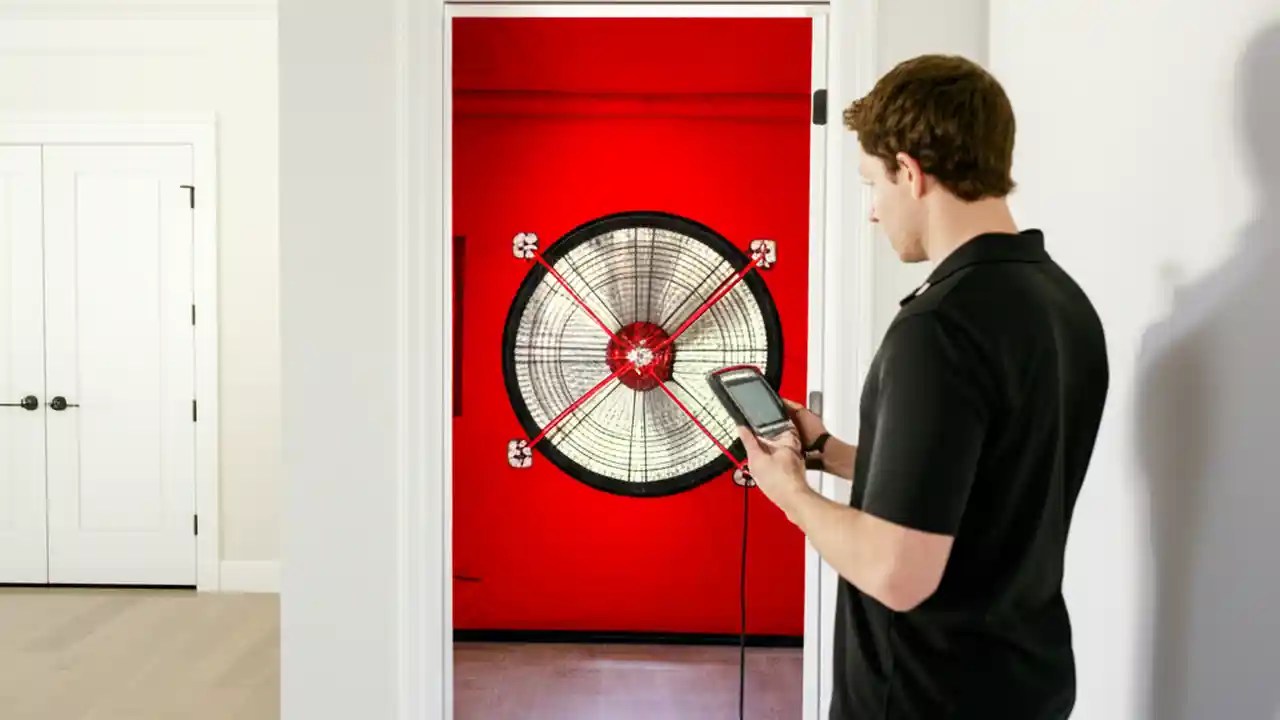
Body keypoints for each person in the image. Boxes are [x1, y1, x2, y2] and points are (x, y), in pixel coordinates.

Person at [738, 54, 1110, 718]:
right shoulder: (1060, 301)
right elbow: (990, 482)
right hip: (1026, 685)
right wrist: (831, 453)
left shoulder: (938, 328)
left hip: (926, 697)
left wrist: (788, 492)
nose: (874, 214)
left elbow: (896, 574)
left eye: (870, 185)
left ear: (910, 172)